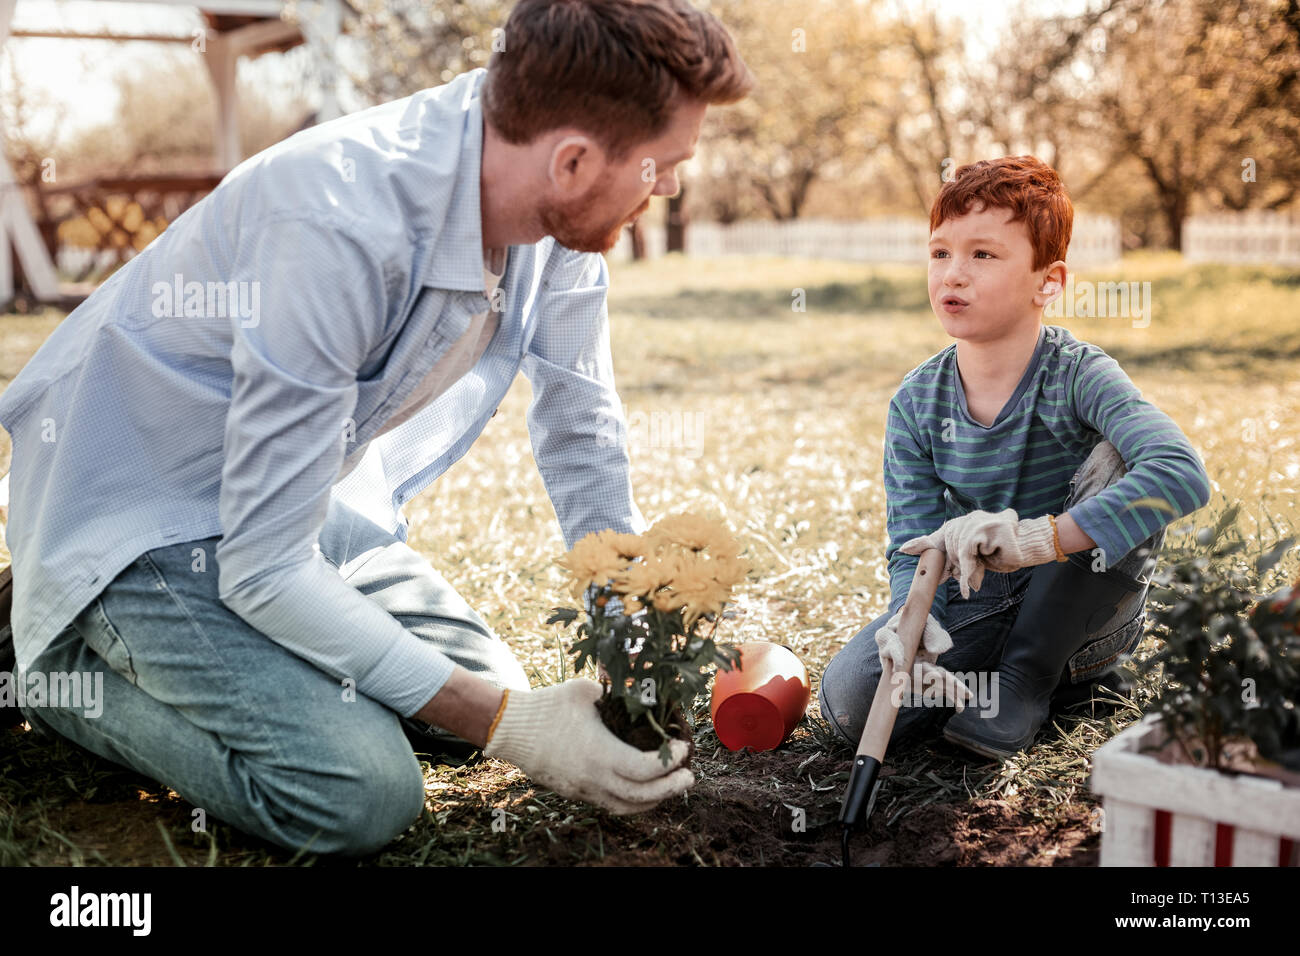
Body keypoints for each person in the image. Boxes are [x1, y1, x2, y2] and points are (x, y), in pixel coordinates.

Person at [0, 0, 753, 856]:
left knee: (482, 689)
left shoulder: (552, 213)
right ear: (573, 160)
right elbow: (263, 569)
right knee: (361, 792)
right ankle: (52, 664)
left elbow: (580, 425)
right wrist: (512, 729)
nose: (674, 186)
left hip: (297, 502)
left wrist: (627, 632)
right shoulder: (335, 224)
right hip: (146, 510)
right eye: (664, 166)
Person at [819, 156, 1212, 759]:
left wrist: (1037, 541)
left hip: (1084, 593)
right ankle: (1024, 684)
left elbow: (1180, 474)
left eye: (983, 255)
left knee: (1122, 461)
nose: (953, 274)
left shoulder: (1080, 374)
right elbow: (913, 542)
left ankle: (1034, 677)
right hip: (986, 600)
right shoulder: (915, 403)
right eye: (940, 253)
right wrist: (911, 622)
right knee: (849, 703)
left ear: (1048, 282)